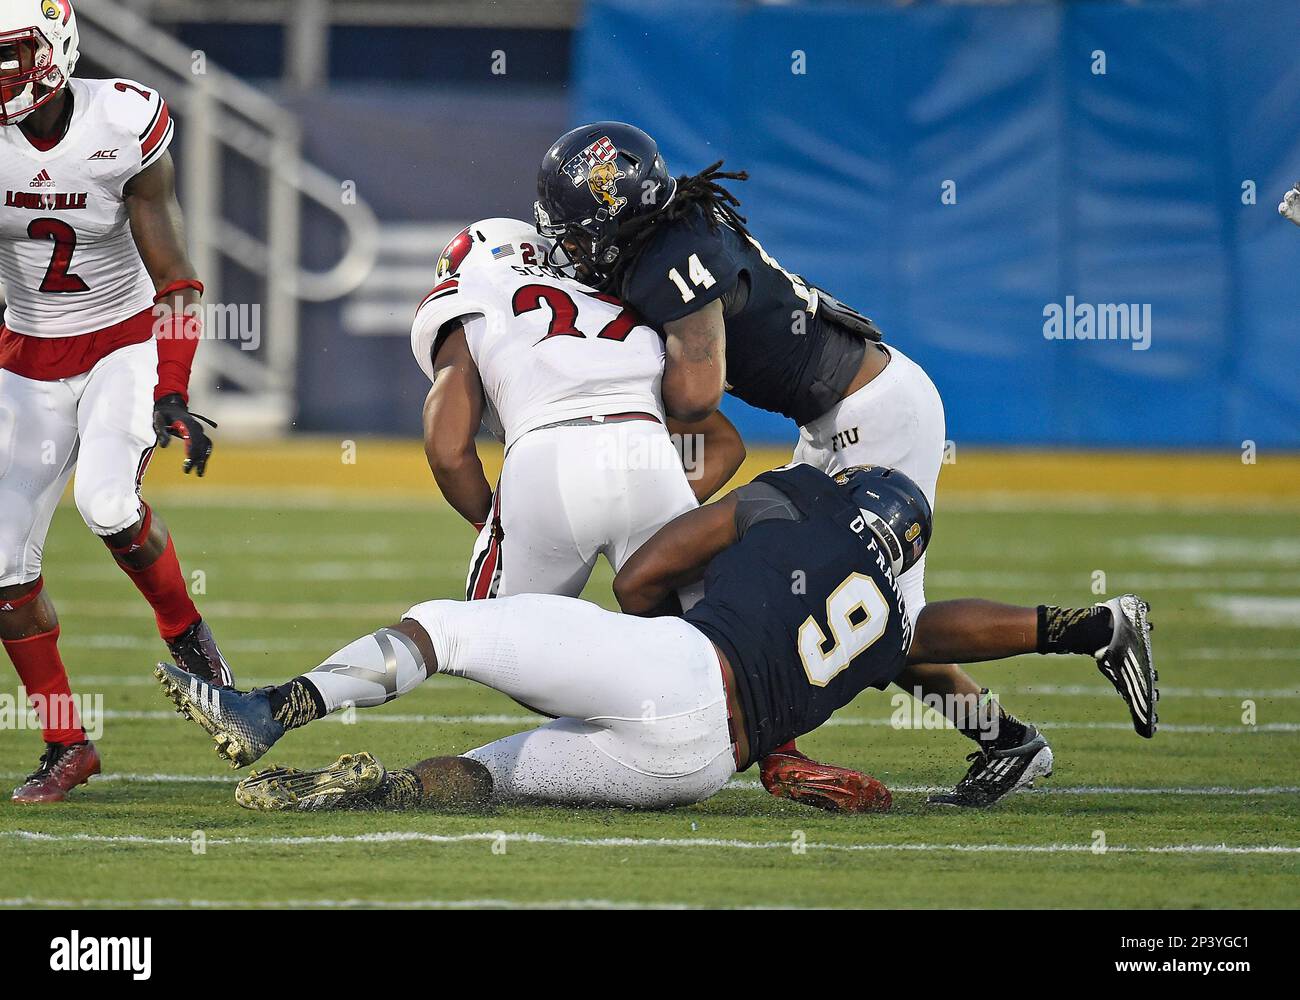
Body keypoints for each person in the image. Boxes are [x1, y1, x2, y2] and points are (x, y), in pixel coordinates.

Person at [531, 122, 1158, 808]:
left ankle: (1098, 629)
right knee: (869, 616)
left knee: (892, 625)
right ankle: (1007, 740)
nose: (573, 245)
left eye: (580, 227)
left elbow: (698, 390)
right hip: (839, 419)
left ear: (621, 214)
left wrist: (616, 376)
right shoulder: (668, 231)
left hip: (876, 419)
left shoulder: (674, 259)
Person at [153, 463, 1157, 813]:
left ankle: (271, 706)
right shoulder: (888, 626)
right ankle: (372, 789)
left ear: (854, 497)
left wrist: (691, 618)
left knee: (450, 627)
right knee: (490, 777)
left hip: (677, 666)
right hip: (699, 763)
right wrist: (1072, 628)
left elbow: (641, 573)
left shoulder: (799, 496)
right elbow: (934, 638)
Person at [0, 0, 230, 803]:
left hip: (119, 345)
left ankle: (188, 637)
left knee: (106, 501)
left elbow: (175, 277)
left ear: (55, 48)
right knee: (1, 566)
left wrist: (172, 387)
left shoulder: (121, 121)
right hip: (25, 356)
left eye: (11, 54)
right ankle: (67, 741)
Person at [412, 217, 744, 601]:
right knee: (699, 646)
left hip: (548, 461)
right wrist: (648, 510)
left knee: (489, 645)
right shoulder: (611, 302)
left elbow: (448, 452)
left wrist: (489, 522)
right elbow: (724, 445)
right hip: (649, 456)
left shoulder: (475, 295)